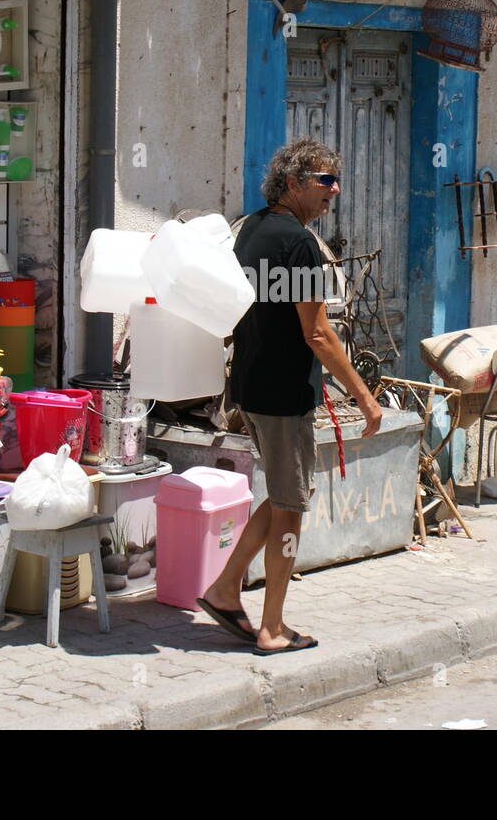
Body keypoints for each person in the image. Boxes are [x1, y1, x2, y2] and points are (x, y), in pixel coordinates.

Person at [198, 137, 383, 656]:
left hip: (251, 385)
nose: (334, 191)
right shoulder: (300, 245)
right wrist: (366, 399)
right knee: (291, 509)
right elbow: (318, 333)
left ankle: (223, 588)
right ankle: (272, 627)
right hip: (282, 395)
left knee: (283, 498)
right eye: (324, 180)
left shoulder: (252, 230)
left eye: (334, 180)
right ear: (293, 182)